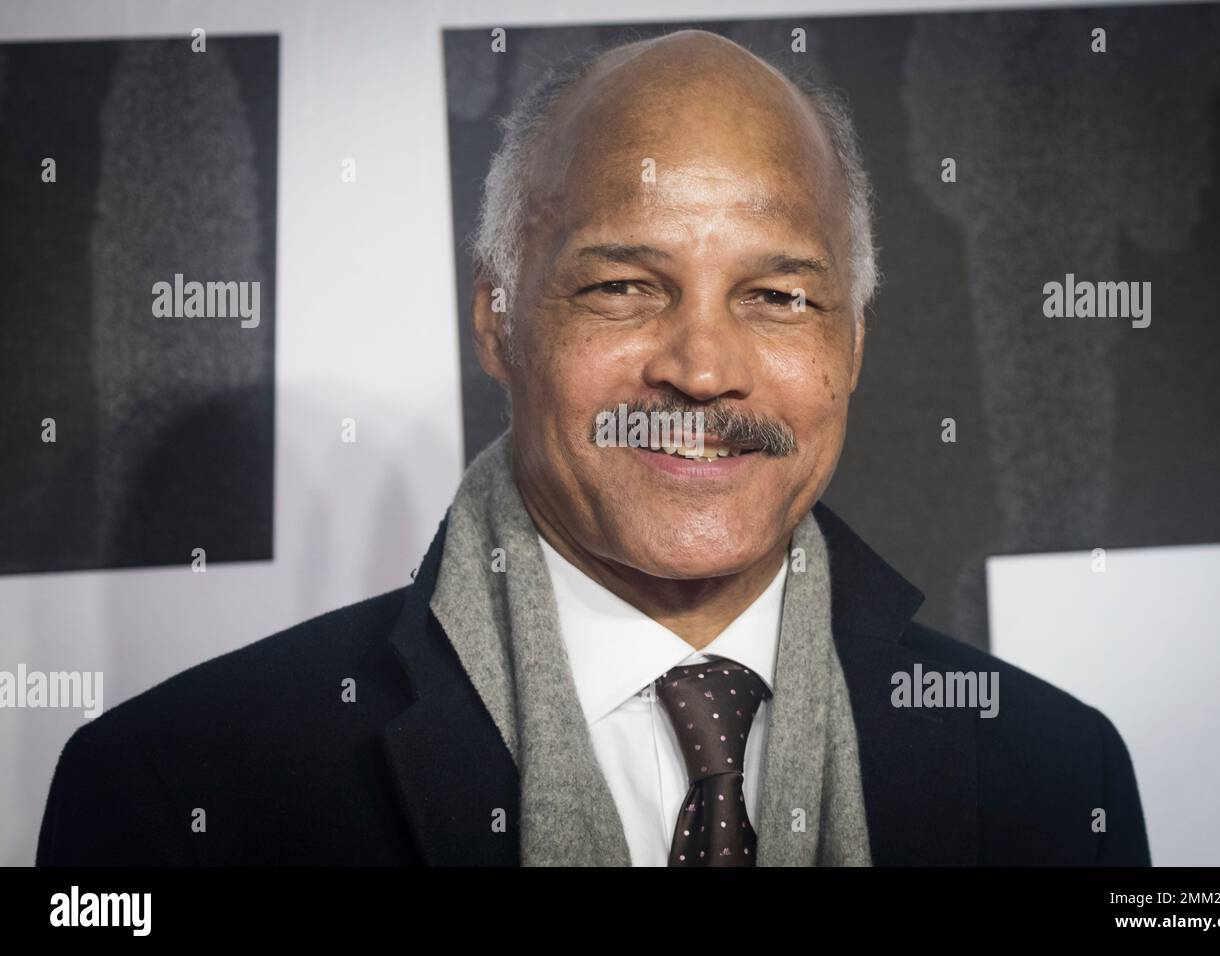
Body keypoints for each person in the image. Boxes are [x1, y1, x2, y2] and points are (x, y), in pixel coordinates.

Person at [37, 29, 1149, 867]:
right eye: (623, 287)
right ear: (497, 321)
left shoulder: (1054, 777)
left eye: (776, 295)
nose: (703, 366)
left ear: (850, 346)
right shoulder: (172, 795)